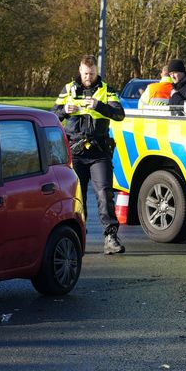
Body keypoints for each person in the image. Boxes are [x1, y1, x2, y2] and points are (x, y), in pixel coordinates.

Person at [53, 54, 126, 255]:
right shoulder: (68, 89)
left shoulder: (106, 90)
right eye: (85, 73)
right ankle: (78, 237)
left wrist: (99, 106)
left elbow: (119, 114)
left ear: (97, 72)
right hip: (75, 151)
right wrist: (65, 110)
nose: (88, 77)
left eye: (92, 73)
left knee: (104, 193)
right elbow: (53, 115)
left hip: (99, 151)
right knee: (77, 197)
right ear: (80, 71)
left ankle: (110, 237)